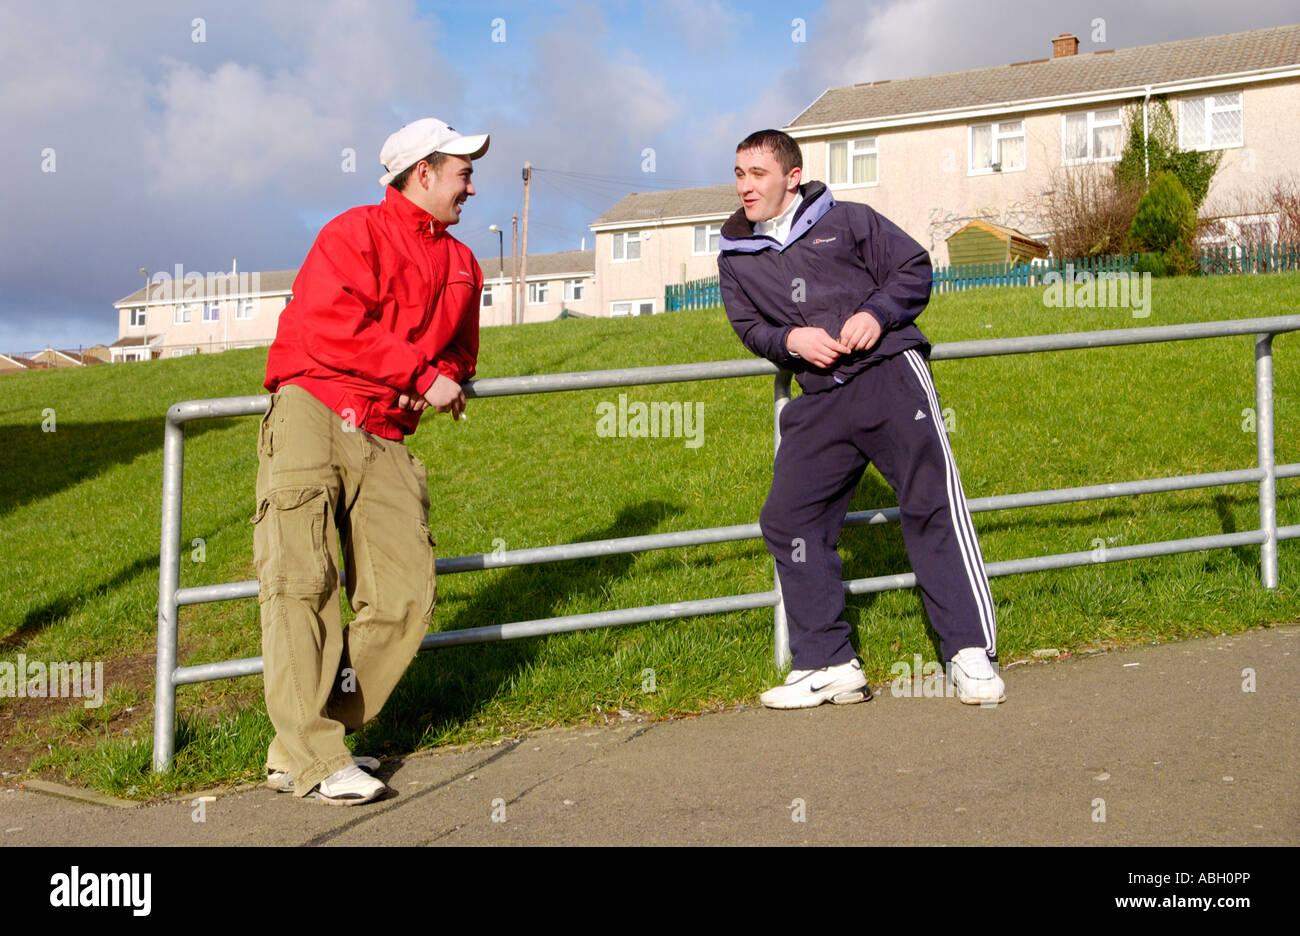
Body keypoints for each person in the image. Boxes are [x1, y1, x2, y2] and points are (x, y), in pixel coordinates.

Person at [717, 129, 1004, 709]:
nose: (746, 186)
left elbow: (913, 269)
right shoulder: (735, 257)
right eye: (740, 174)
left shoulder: (848, 220)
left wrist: (877, 313)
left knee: (931, 502)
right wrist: (789, 339)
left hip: (888, 374)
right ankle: (828, 662)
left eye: (758, 173)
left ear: (791, 177)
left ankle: (970, 651)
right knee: (788, 517)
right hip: (819, 395)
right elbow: (750, 328)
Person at [254, 117, 487, 804]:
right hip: (314, 411)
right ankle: (315, 755)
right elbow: (330, 324)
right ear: (423, 173)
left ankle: (308, 736)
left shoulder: (464, 264)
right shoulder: (351, 233)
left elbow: (462, 356)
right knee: (303, 584)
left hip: (387, 431)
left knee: (405, 593)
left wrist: (433, 375)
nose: (471, 186)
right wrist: (418, 372)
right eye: (462, 172)